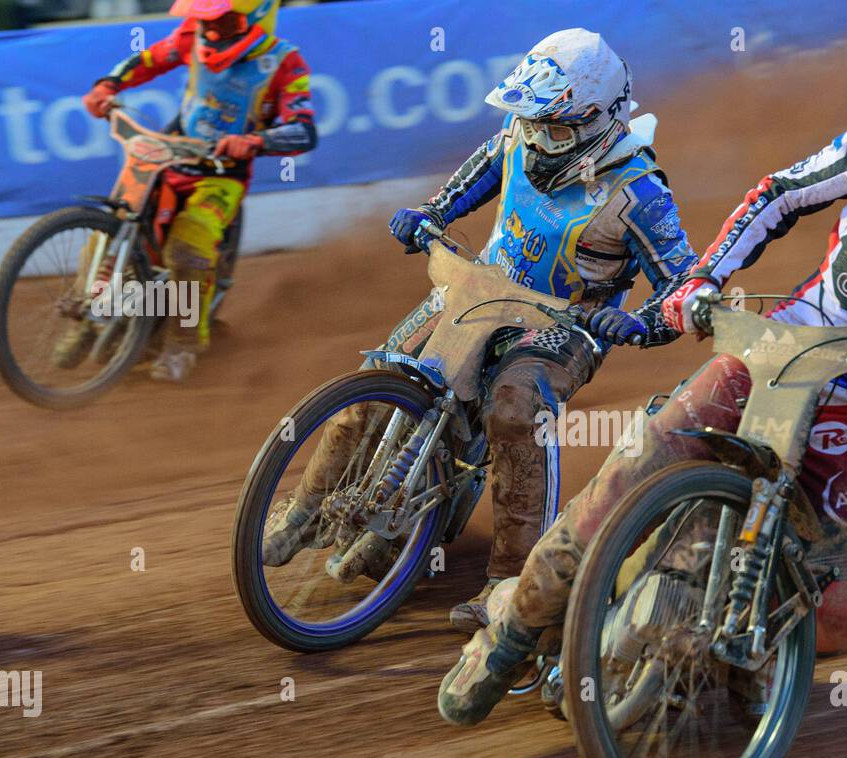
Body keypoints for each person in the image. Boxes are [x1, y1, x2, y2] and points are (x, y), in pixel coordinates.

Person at [436, 18, 847, 727]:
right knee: (629, 471)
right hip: (776, 350)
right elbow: (777, 194)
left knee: (838, 620)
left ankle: (720, 655)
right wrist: (701, 279)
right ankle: (508, 632)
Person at [261, 28, 697, 632]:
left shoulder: (639, 192)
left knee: (516, 408)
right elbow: (479, 173)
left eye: (558, 129)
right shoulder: (520, 135)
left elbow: (686, 285)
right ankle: (306, 509)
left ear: (602, 118)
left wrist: (639, 321)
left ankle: (512, 583)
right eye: (534, 124)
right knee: (381, 374)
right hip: (480, 287)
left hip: (563, 323)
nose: (540, 141)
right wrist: (432, 213)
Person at [65, 0, 317, 382]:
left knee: (187, 247)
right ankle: (85, 319)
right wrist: (107, 85)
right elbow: (147, 60)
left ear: (256, 17)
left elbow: (303, 129)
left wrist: (254, 141)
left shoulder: (284, 61)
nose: (211, 32)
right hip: (171, 155)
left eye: (224, 22)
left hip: (221, 175)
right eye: (205, 21)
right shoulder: (190, 36)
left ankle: (182, 345)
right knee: (112, 228)